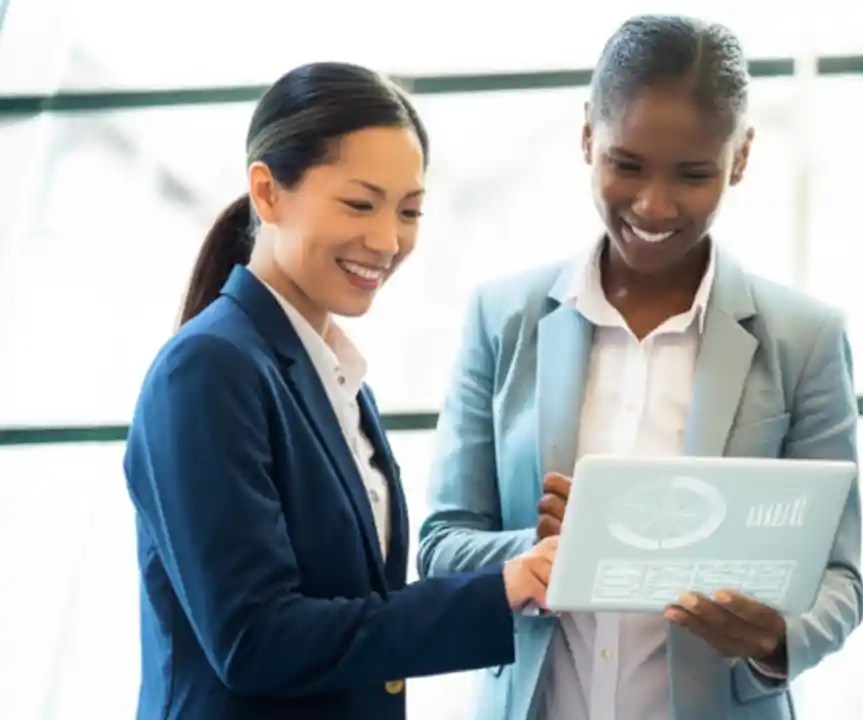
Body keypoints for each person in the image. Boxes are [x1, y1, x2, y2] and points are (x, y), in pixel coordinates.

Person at [418, 14, 863, 720]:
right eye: (626, 165)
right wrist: (548, 548)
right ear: (587, 135)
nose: (655, 205)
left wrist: (776, 637)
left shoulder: (804, 338)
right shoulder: (502, 319)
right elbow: (441, 547)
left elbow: (840, 577)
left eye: (693, 174)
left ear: (741, 157)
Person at [124, 62, 558, 720]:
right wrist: (494, 594)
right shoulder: (210, 368)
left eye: (409, 211)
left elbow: (353, 609)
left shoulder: (331, 376)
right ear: (267, 193)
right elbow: (256, 639)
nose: (387, 241)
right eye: (360, 204)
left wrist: (521, 567)